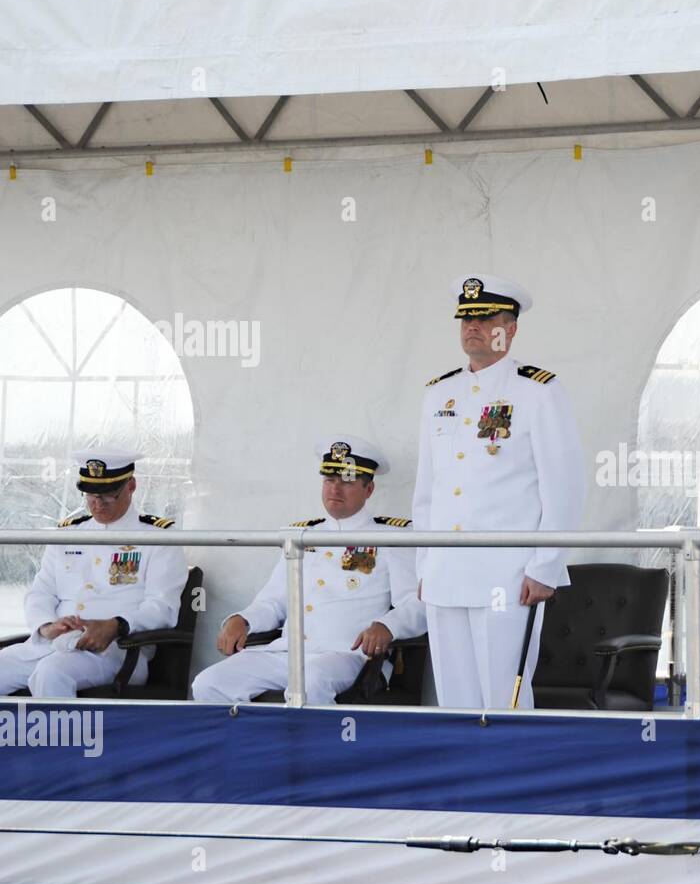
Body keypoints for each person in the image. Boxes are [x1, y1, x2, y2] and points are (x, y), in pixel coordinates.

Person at [412, 274, 585, 711]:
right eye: (466, 318)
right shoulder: (438, 393)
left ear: (510, 329)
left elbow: (564, 486)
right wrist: (422, 562)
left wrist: (546, 566)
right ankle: (462, 778)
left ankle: (512, 777)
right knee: (454, 699)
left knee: (503, 697)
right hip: (445, 571)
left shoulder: (537, 391)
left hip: (507, 575)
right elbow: (428, 489)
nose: (473, 326)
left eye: (486, 317)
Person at [191, 435, 423, 704]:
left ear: (368, 489)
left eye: (347, 481)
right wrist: (242, 619)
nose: (335, 489)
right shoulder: (302, 535)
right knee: (209, 684)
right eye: (329, 480)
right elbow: (274, 602)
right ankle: (244, 747)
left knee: (310, 683)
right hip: (286, 652)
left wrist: (387, 625)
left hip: (347, 656)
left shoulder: (391, 538)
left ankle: (310, 747)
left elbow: (416, 604)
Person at [0, 449, 187, 698]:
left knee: (51, 673)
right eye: (90, 495)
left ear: (131, 486)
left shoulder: (157, 538)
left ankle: (60, 739)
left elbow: (162, 607)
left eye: (109, 496)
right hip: (57, 643)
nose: (98, 504)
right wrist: (46, 626)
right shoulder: (69, 534)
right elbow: (40, 592)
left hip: (118, 650)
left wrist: (116, 626)